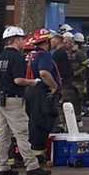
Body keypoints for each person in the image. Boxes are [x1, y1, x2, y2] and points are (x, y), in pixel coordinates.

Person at [0, 26, 49, 175]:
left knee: (3, 135)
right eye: (23, 39)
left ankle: (3, 167)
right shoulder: (17, 57)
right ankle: (32, 166)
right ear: (16, 40)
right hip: (13, 100)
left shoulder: (0, 57)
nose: (24, 41)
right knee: (23, 133)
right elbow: (18, 80)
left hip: (0, 98)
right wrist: (34, 82)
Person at [24, 29, 61, 161]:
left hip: (28, 91)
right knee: (41, 123)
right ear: (47, 42)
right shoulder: (44, 55)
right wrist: (54, 86)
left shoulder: (31, 54)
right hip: (40, 92)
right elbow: (44, 73)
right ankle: (38, 156)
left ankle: (34, 153)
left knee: (32, 123)